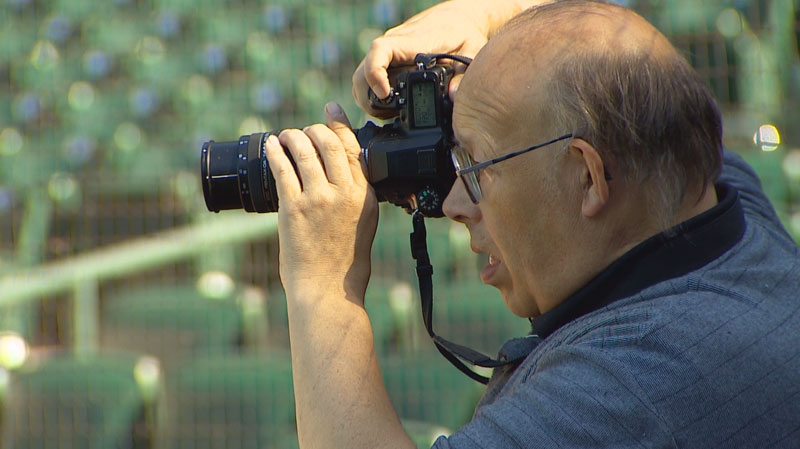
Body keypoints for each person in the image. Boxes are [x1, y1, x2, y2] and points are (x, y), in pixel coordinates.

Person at [264, 0, 800, 447]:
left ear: (588, 179)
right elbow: (632, 62)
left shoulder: (625, 387)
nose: (453, 204)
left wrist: (323, 286)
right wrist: (481, 17)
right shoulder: (721, 206)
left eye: (472, 168)